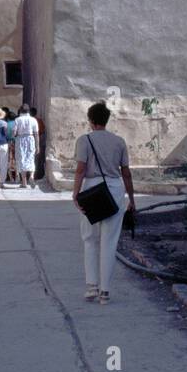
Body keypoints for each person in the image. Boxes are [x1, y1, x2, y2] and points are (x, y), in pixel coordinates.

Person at [72, 100, 135, 304]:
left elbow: (80, 169)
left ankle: (91, 286)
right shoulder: (119, 141)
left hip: (91, 188)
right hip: (115, 188)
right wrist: (131, 199)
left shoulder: (84, 141)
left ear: (90, 120)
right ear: (107, 120)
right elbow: (126, 173)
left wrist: (75, 193)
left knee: (89, 238)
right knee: (109, 240)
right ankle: (105, 292)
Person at [13, 104, 39, 188]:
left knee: (21, 159)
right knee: (31, 158)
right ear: (29, 111)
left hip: (20, 139)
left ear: (20, 111)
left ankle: (24, 182)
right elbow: (36, 133)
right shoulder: (33, 120)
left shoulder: (17, 119)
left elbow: (14, 132)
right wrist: (37, 146)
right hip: (30, 138)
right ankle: (31, 176)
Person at [31, 105, 46, 180]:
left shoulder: (29, 121)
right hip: (38, 140)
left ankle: (27, 176)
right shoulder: (39, 120)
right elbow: (43, 131)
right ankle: (35, 176)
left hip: (29, 140)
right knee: (36, 159)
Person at [5, 107, 18, 183]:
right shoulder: (16, 124)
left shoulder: (6, 125)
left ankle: (11, 178)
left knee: (9, 160)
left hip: (9, 143)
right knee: (16, 159)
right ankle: (17, 176)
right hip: (16, 143)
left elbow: (5, 135)